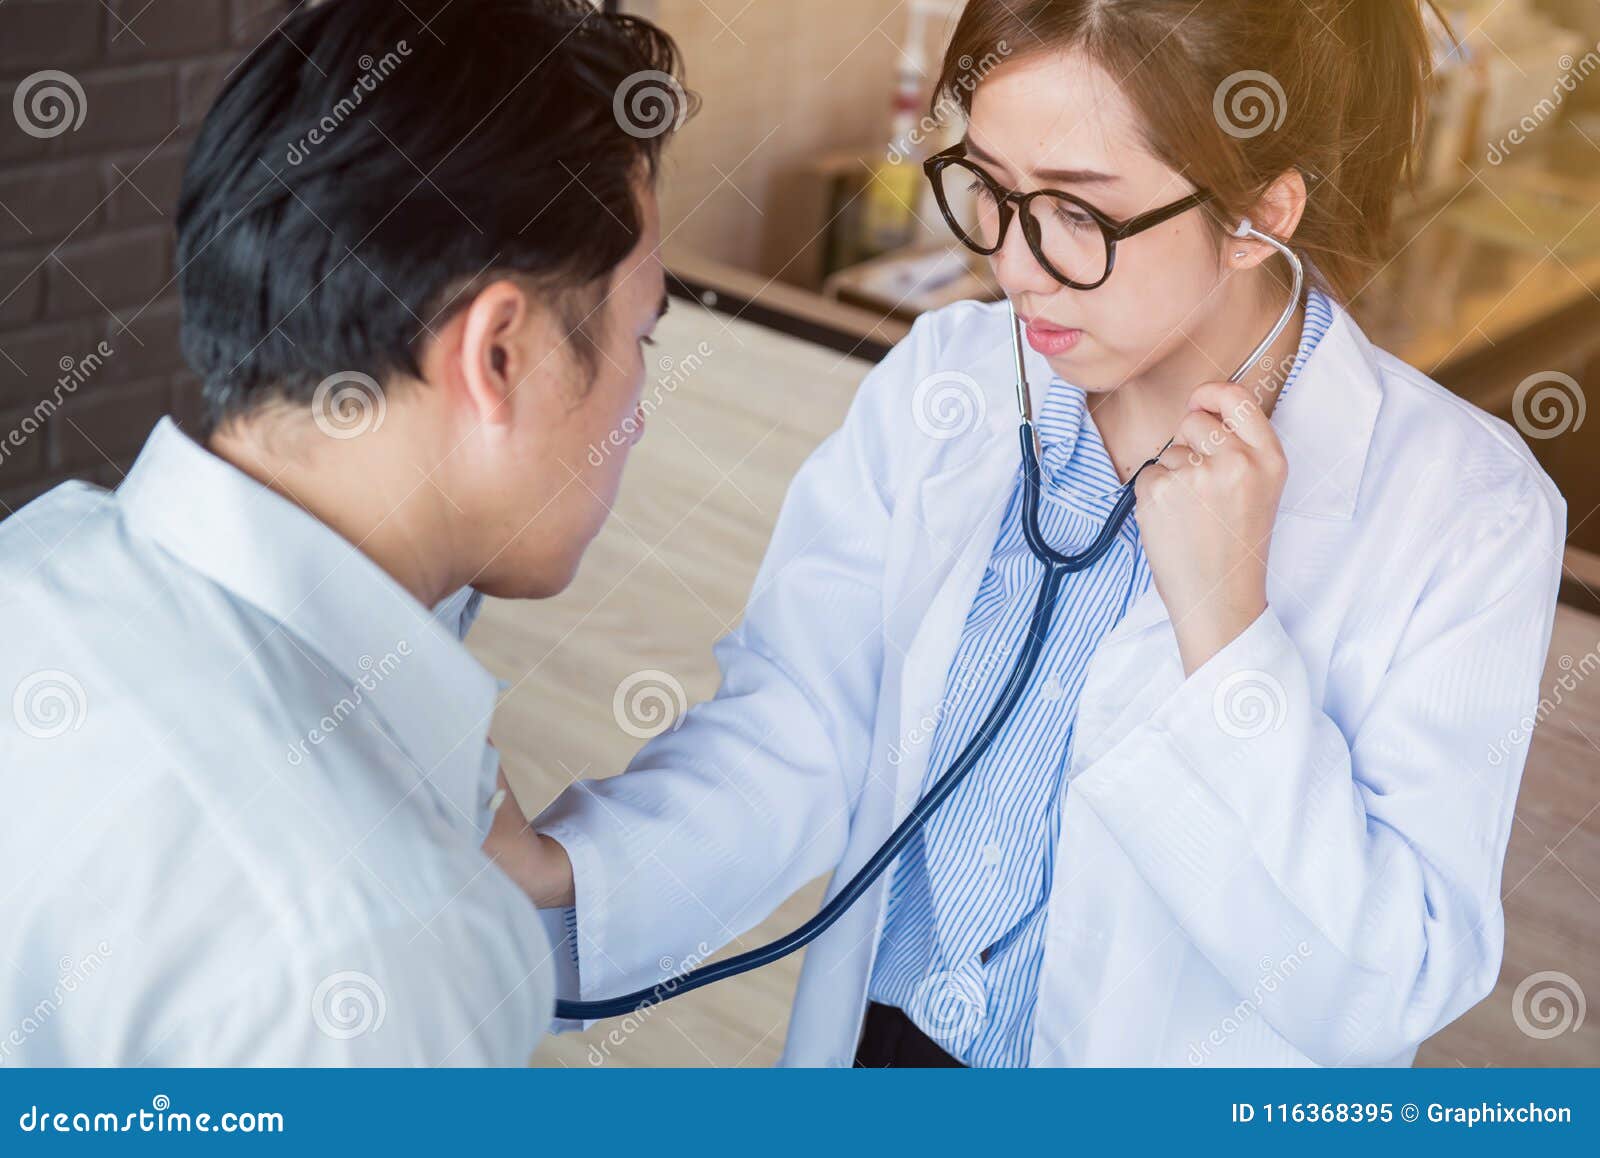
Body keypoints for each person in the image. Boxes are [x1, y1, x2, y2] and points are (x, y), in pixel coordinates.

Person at [508, 0, 1567, 1066]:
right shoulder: (946, 381)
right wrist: (564, 879)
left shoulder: (1464, 511)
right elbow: (804, 729)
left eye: (1076, 215)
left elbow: (1380, 992)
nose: (1013, 267)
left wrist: (1227, 633)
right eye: (992, 191)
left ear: (1260, 214)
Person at [0, 0, 686, 1064]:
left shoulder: (33, 568)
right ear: (497, 355)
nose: (638, 410)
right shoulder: (384, 954)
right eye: (640, 335)